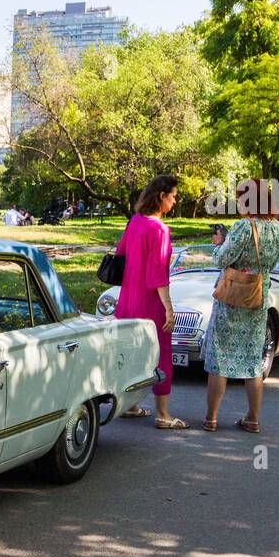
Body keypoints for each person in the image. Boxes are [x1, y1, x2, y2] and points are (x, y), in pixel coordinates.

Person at [202, 179, 279, 433]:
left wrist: (218, 243)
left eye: (241, 198)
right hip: (259, 296)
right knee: (253, 358)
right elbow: (271, 261)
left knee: (220, 356)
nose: (238, 202)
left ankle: (211, 418)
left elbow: (221, 259)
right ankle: (252, 418)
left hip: (233, 298)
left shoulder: (243, 226)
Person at [116, 174, 186, 429]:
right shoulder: (159, 229)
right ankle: (163, 415)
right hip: (149, 304)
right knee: (162, 354)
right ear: (161, 197)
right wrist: (168, 307)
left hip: (127, 301)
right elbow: (158, 274)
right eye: (173, 196)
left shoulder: (134, 222)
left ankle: (130, 405)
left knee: (132, 354)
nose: (175, 201)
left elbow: (120, 252)